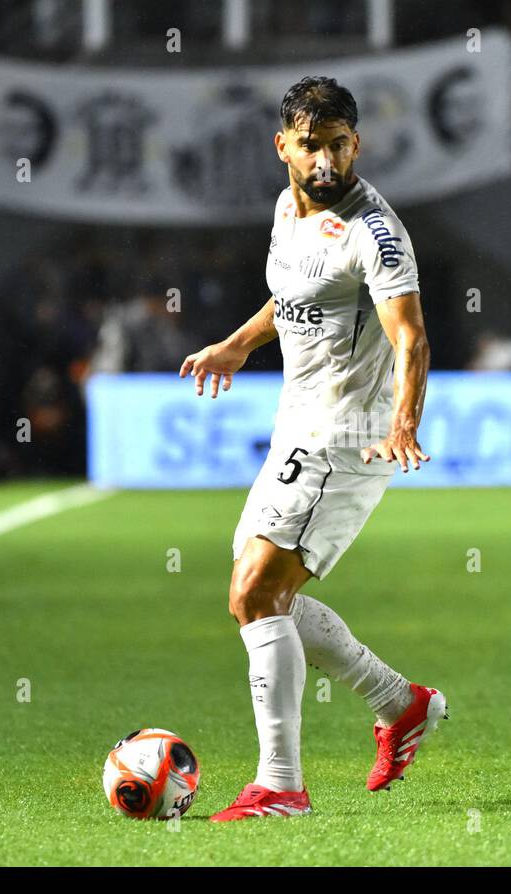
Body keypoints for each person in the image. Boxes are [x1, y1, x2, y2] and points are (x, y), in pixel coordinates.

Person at [179, 76, 448, 821]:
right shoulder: (287, 211)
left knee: (255, 592)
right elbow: (295, 295)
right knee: (260, 594)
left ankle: (281, 786)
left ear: (355, 145)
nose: (325, 161)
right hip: (297, 424)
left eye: (338, 146)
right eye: (310, 146)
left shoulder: (375, 231)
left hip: (351, 435)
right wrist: (236, 344)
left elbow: (411, 336)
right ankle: (402, 705)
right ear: (283, 149)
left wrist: (403, 424)